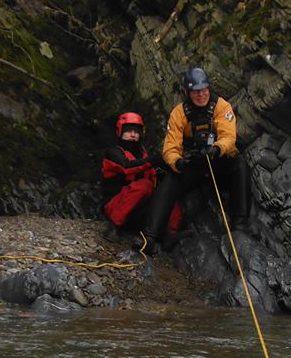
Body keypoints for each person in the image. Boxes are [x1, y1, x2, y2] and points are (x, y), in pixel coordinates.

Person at [141, 67, 251, 255]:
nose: (201, 95)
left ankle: (240, 222)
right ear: (187, 92)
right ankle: (150, 237)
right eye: (196, 91)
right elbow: (170, 147)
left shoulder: (221, 106)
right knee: (170, 180)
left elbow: (228, 136)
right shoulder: (179, 114)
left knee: (239, 165)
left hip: (217, 160)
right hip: (193, 165)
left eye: (204, 89)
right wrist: (178, 162)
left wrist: (216, 149)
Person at [101, 112, 159, 236]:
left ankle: (169, 233)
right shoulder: (113, 153)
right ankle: (114, 228)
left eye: (136, 132)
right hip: (114, 206)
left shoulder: (143, 154)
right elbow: (126, 167)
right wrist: (153, 160)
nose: (133, 135)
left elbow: (152, 175)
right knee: (145, 185)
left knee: (164, 189)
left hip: (136, 209)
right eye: (128, 131)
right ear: (120, 131)